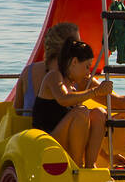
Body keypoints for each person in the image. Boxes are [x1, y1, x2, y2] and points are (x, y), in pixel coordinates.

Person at [33, 38, 114, 168]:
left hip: (64, 139)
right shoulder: (54, 76)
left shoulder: (73, 87)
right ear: (74, 62)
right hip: (47, 141)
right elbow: (64, 99)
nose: (88, 72)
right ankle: (77, 166)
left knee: (99, 113)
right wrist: (95, 91)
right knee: (81, 112)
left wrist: (109, 157)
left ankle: (90, 165)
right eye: (87, 67)